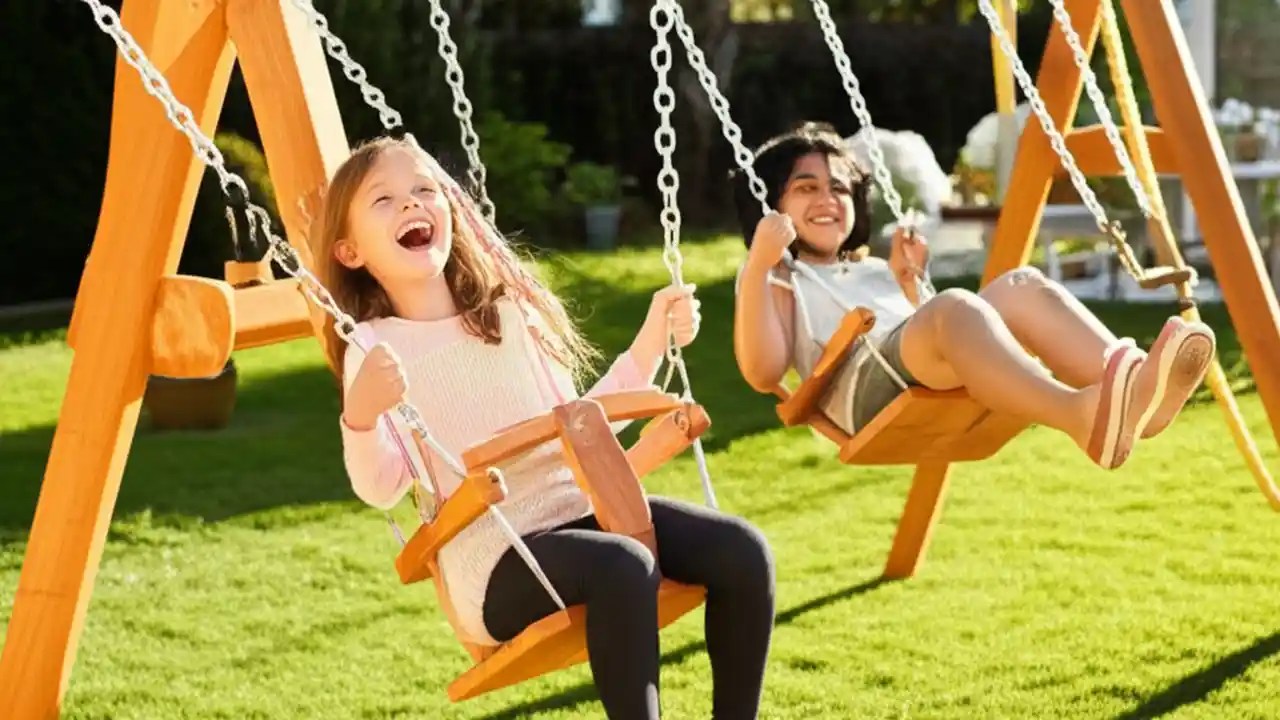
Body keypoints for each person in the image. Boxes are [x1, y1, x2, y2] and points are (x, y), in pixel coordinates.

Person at [313, 135, 775, 720]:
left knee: (743, 551)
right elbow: (380, 487)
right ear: (351, 252)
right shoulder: (375, 347)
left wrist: (653, 338)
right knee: (622, 565)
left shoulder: (507, 314)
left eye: (425, 189)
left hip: (581, 513)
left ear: (450, 211)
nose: (411, 203)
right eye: (384, 199)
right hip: (494, 559)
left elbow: (582, 423)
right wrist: (360, 416)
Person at [732, 122, 1215, 469]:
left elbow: (937, 341)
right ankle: (1077, 414)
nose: (827, 198)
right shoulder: (777, 274)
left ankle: (1137, 389)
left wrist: (910, 283)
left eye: (839, 188)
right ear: (771, 205)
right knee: (954, 307)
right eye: (806, 187)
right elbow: (763, 371)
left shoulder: (874, 268)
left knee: (1020, 285)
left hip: (911, 369)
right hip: (863, 396)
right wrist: (759, 264)